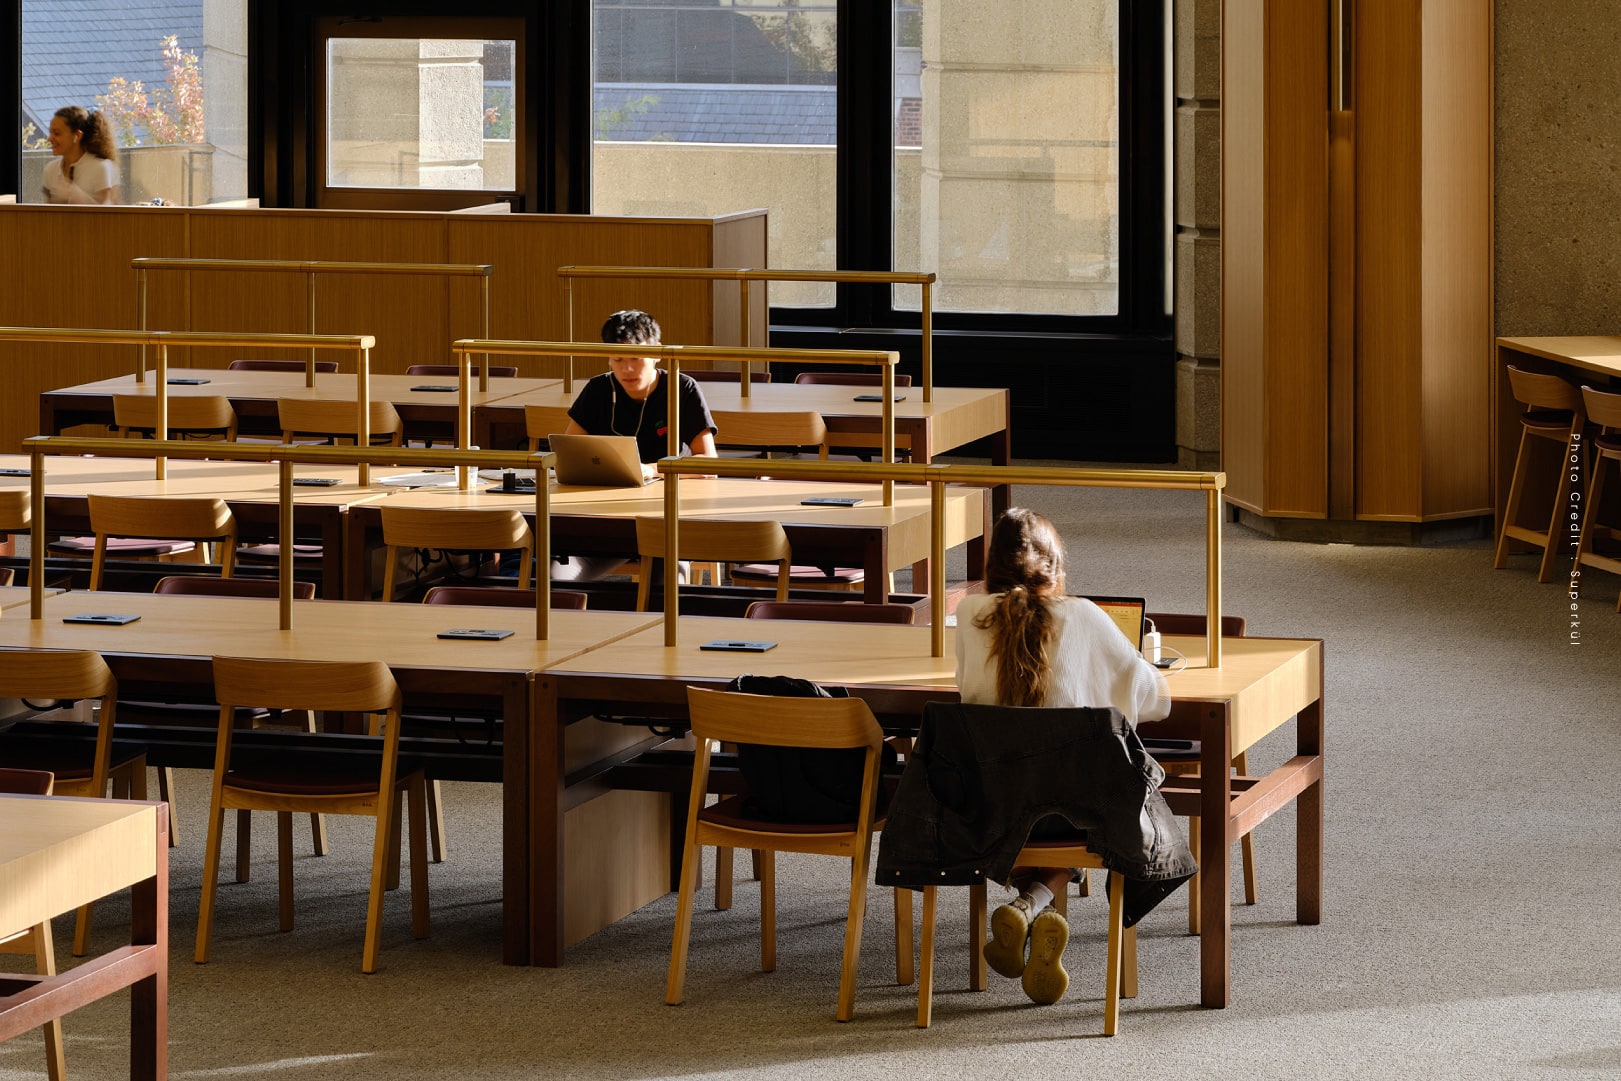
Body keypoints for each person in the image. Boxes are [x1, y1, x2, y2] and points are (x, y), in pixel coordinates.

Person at [952, 506, 1170, 1005]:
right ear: (1053, 566)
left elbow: (967, 692)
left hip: (989, 809)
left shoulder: (968, 615)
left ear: (993, 568)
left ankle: (1028, 904)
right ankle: (1032, 903)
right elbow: (1151, 699)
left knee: (1029, 798)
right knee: (1091, 796)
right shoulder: (1087, 616)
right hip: (1068, 814)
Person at [553, 309, 718, 581]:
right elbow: (566, 454)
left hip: (666, 522)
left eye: (636, 358)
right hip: (605, 521)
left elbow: (708, 463)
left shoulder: (682, 387)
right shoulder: (598, 390)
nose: (626, 369)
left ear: (656, 353)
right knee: (554, 578)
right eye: (617, 359)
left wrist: (651, 470)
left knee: (666, 584)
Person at [42, 106, 120, 205]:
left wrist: (73, 194)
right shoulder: (50, 170)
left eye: (57, 133)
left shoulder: (101, 167)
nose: (50, 138)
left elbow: (106, 214)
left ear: (77, 135)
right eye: (50, 133)